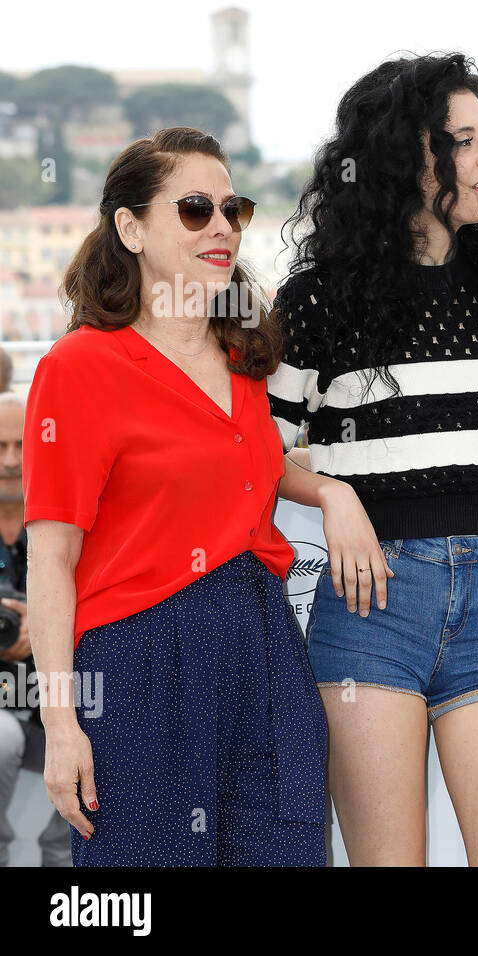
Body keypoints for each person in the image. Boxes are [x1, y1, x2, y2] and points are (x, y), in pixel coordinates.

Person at [269, 53, 478, 866]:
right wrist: (335, 499)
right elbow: (256, 458)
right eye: (466, 142)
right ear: (410, 157)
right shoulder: (315, 300)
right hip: (371, 605)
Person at [25, 126, 330, 866]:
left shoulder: (249, 358)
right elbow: (51, 560)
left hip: (264, 646)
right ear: (129, 227)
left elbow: (258, 469)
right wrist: (61, 724)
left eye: (234, 208)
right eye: (195, 209)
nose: (222, 226)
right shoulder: (80, 368)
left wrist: (332, 492)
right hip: (138, 659)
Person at [0, 392, 69, 867]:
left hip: (58, 701)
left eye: (20, 446)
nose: (9, 461)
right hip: (5, 716)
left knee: (110, 731)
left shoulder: (67, 520)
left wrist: (40, 627)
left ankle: (65, 869)